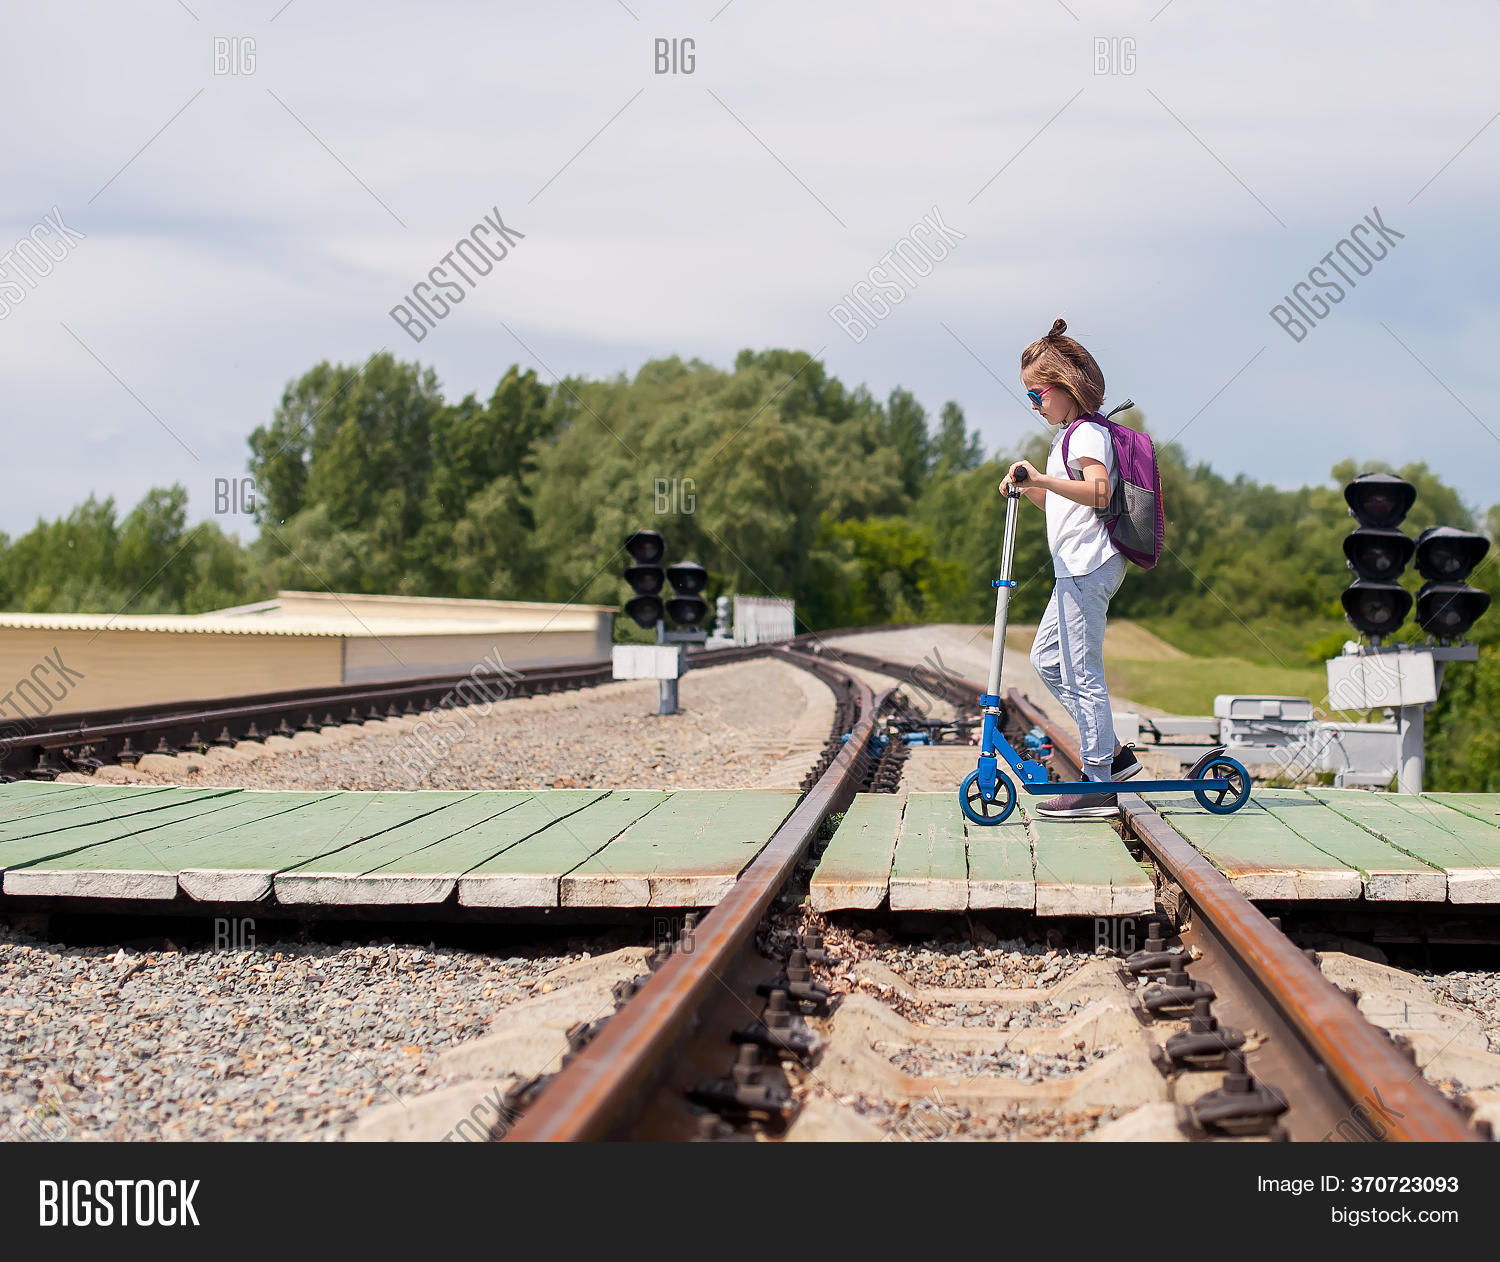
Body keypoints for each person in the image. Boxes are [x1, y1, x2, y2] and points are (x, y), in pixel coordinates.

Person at [997, 317, 1141, 818]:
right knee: (1047, 661)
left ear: (1062, 388)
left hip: (1089, 565)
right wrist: (1030, 488)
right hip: (1075, 567)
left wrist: (1044, 479)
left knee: (1083, 672)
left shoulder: (1086, 435)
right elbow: (1064, 504)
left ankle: (1099, 781)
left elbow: (1099, 492)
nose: (1034, 406)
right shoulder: (1069, 438)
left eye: (1036, 395)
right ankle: (1115, 756)